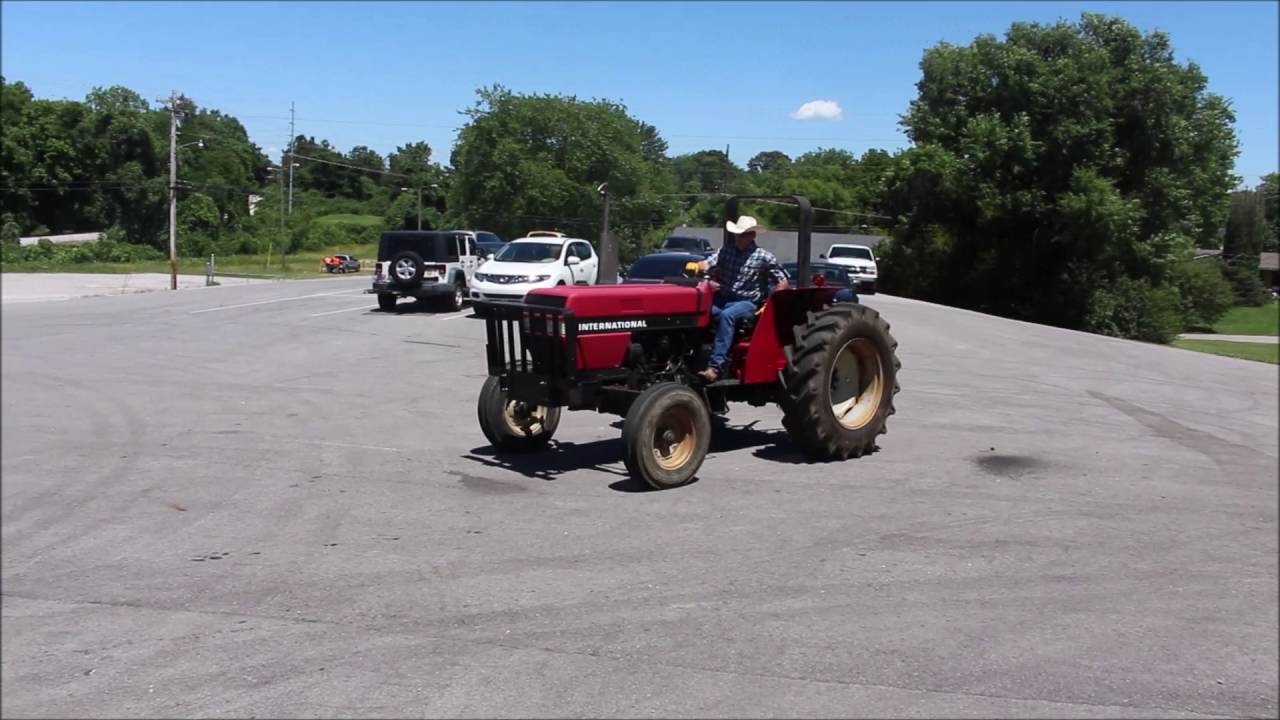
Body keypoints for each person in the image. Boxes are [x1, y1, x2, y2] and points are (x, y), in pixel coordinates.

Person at [693, 215, 789, 382]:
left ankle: (715, 367)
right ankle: (693, 357)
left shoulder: (763, 257)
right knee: (700, 312)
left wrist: (770, 302)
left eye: (743, 234)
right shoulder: (726, 251)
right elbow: (710, 262)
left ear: (752, 235)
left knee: (727, 315)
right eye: (737, 234)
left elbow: (783, 281)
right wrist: (700, 265)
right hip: (724, 297)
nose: (739, 238)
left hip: (747, 302)